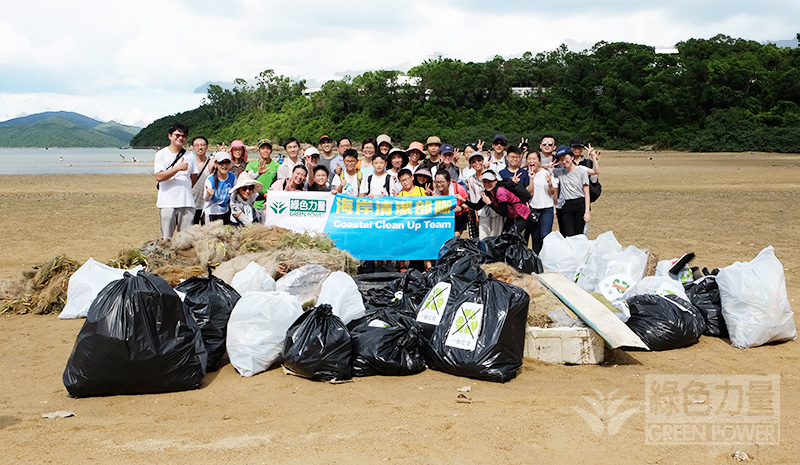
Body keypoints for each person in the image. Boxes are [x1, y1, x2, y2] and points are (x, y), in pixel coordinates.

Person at [154, 122, 198, 240]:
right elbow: (159, 177)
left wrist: (186, 187)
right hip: (167, 203)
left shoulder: (190, 155)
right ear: (170, 136)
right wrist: (178, 168)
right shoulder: (161, 154)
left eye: (183, 136)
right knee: (166, 239)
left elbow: (193, 178)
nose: (180, 138)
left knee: (185, 240)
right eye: (177, 135)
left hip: (187, 202)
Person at [459, 170, 531, 234]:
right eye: (485, 181)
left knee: (511, 235)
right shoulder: (488, 193)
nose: (487, 184)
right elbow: (477, 206)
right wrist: (463, 200)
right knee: (505, 236)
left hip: (523, 215)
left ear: (495, 181)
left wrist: (490, 204)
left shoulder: (500, 191)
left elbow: (503, 213)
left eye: (490, 181)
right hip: (512, 216)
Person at [552, 145, 599, 237]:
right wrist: (549, 166)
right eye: (561, 160)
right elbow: (540, 169)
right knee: (568, 235)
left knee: (579, 235)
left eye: (566, 158)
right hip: (566, 206)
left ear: (572, 157)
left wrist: (587, 212)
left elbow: (586, 193)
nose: (564, 161)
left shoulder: (582, 171)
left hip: (580, 204)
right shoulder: (559, 172)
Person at [525, 150, 557, 254]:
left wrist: (550, 183)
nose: (531, 161)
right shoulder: (527, 175)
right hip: (534, 208)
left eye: (534, 159)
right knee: (535, 237)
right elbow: (529, 193)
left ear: (539, 161)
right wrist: (531, 179)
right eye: (529, 159)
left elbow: (552, 192)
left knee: (545, 235)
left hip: (547, 209)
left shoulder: (547, 173)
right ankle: (537, 261)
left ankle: (545, 259)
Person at [245, 138, 279, 210]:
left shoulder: (277, 166)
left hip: (271, 203)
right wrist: (258, 173)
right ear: (259, 151)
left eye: (268, 148)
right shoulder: (251, 165)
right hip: (254, 203)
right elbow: (249, 180)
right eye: (263, 148)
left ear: (271, 151)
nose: (265, 151)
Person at [433, 170, 469, 237]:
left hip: (459, 216)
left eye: (442, 182)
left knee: (454, 238)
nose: (439, 184)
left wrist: (461, 208)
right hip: (444, 218)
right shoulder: (435, 191)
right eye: (437, 182)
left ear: (448, 181)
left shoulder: (458, 188)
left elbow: (468, 203)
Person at [203, 152, 236, 224]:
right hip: (212, 213)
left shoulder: (232, 177)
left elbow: (234, 194)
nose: (224, 165)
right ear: (216, 164)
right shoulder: (210, 179)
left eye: (227, 162)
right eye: (221, 163)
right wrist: (208, 194)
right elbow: (206, 198)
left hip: (225, 212)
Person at [189, 136, 214, 225]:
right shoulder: (189, 163)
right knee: (191, 232)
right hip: (191, 204)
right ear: (193, 148)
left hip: (206, 204)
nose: (200, 147)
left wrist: (223, 154)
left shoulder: (211, 163)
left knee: (206, 232)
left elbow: (223, 169)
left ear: (207, 147)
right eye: (197, 145)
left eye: (203, 145)